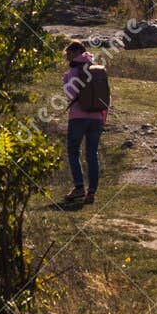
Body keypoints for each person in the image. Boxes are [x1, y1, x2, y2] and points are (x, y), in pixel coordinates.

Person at [61, 40, 108, 204]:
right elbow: (106, 96)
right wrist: (103, 118)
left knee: (73, 152)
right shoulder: (97, 70)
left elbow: (70, 94)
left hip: (78, 117)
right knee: (92, 154)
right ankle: (91, 192)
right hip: (96, 117)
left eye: (68, 54)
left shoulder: (72, 72)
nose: (67, 57)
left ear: (75, 52)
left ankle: (79, 187)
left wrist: (66, 80)